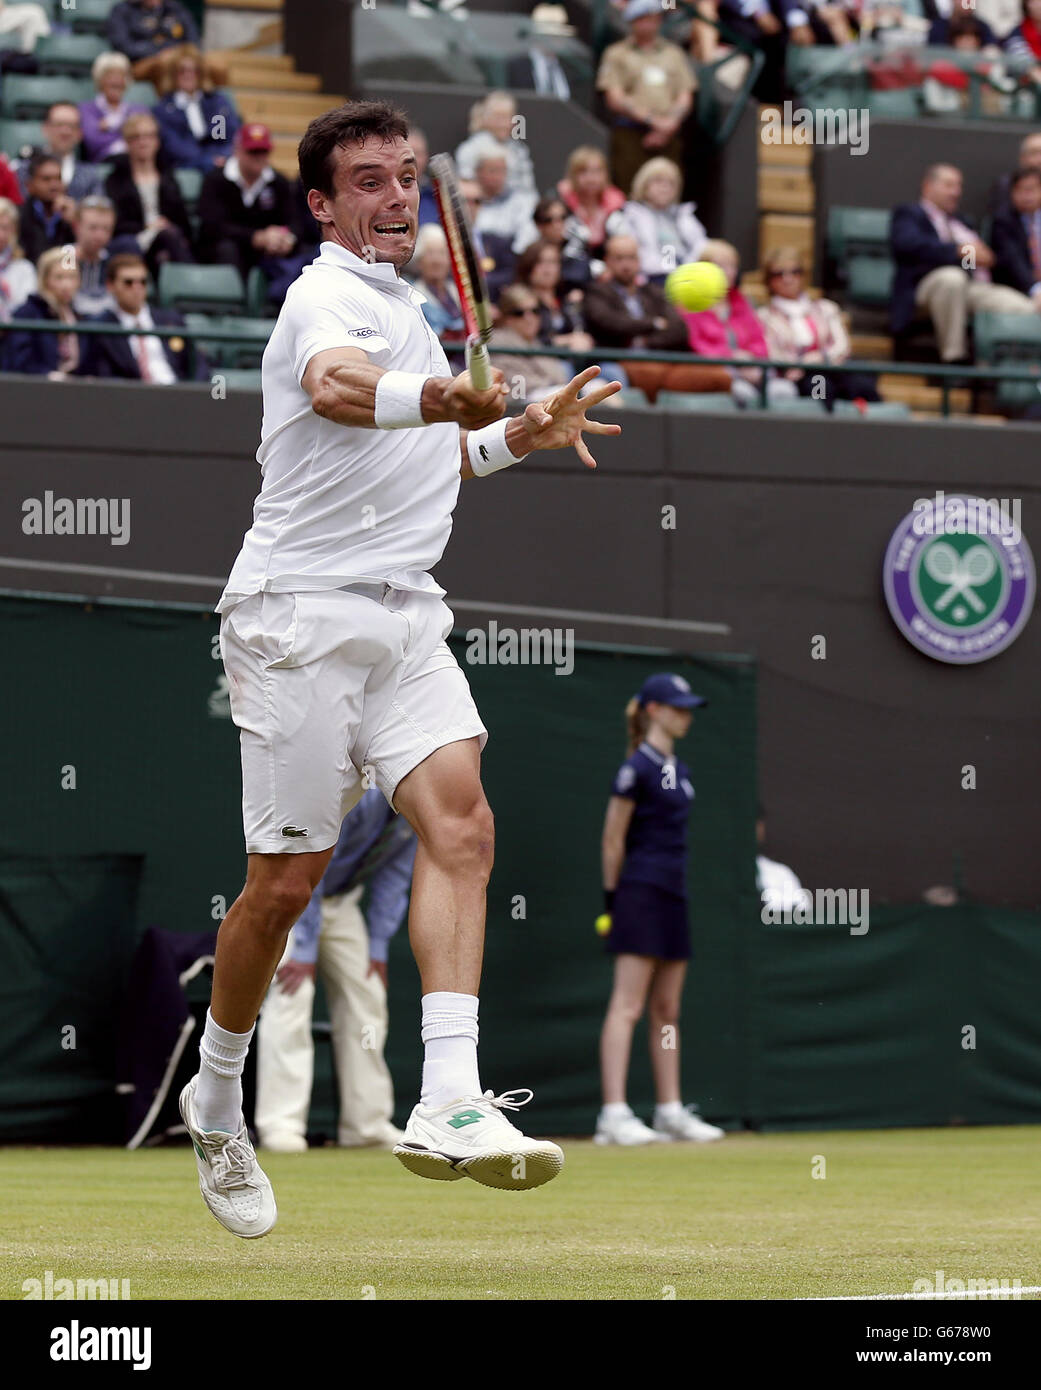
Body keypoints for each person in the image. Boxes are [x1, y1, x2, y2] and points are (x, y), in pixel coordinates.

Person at [178, 99, 621, 1239]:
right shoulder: (320, 295)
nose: (395, 196)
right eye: (367, 180)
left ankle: (451, 1098)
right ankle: (218, 1095)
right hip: (297, 615)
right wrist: (440, 395)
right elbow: (336, 388)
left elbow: (449, 455)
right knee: (284, 886)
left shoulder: (412, 308)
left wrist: (521, 429)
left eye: (406, 176)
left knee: (463, 827)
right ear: (322, 204)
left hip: (406, 610)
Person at [596, 673, 724, 1146]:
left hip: (674, 894)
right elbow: (612, 838)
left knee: (667, 1008)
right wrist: (613, 899)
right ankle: (613, 1114)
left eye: (689, 708)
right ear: (652, 709)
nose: (685, 715)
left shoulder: (680, 770)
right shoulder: (637, 769)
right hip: (638, 893)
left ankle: (669, 1110)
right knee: (627, 1005)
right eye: (676, 707)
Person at [255, 788, 418, 1153]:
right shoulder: (357, 800)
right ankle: (281, 1125)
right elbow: (312, 863)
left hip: (344, 903)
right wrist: (305, 950)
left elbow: (394, 875)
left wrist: (378, 944)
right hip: (293, 894)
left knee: (368, 999)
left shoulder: (415, 811)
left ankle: (367, 1124)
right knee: (292, 997)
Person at [890, 163, 1035, 360]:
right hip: (923, 287)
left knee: (1025, 306)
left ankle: (1001, 368)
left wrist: (984, 258)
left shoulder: (962, 221)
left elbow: (970, 263)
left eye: (958, 186)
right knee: (951, 279)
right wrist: (960, 251)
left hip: (969, 286)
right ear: (927, 186)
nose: (956, 192)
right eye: (949, 185)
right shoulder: (910, 214)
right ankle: (954, 358)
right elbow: (908, 246)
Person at [583, 232, 730, 400]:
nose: (626, 264)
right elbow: (610, 323)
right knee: (616, 378)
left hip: (660, 362)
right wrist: (653, 324)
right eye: (619, 258)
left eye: (631, 258)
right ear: (607, 261)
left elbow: (679, 330)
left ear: (639, 260)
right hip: (618, 363)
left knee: (720, 378)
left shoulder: (654, 293)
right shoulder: (597, 292)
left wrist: (646, 340)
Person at [758, 245, 881, 405]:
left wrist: (821, 358)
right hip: (803, 376)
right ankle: (824, 428)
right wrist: (803, 364)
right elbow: (772, 353)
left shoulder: (826, 308)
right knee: (821, 390)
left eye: (795, 272)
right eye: (779, 274)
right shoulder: (763, 317)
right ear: (769, 280)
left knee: (862, 387)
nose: (787, 279)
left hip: (834, 368)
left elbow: (842, 345)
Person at [596, 0, 696, 195]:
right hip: (631, 135)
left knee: (669, 193)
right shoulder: (617, 53)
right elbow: (614, 97)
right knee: (629, 191)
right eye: (642, 19)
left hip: (669, 135)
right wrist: (653, 121)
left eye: (653, 18)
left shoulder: (674, 54)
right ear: (632, 21)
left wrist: (668, 126)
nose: (649, 23)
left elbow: (685, 95)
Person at [684, 237, 799, 405]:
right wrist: (733, 358)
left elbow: (759, 341)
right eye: (720, 266)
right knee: (743, 393)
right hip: (715, 371)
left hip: (749, 369)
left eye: (732, 266)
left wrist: (750, 360)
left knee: (784, 391)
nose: (728, 272)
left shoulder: (743, 303)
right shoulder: (689, 304)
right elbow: (696, 345)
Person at [197, 123, 300, 294]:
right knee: (227, 249)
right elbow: (211, 227)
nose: (259, 157)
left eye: (264, 151)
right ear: (237, 150)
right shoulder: (216, 180)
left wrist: (286, 238)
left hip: (269, 251)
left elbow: (294, 222)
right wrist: (255, 237)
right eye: (253, 152)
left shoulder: (278, 182)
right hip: (226, 253)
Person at [85, 251, 200, 381]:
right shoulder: (101, 328)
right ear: (110, 286)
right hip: (133, 396)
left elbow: (197, 363)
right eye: (128, 282)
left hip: (177, 393)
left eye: (143, 282)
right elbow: (103, 375)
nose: (137, 288)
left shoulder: (172, 320)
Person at [104, 111, 194, 273]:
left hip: (164, 239)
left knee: (169, 240)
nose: (143, 142)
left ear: (157, 141)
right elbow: (115, 223)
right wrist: (147, 226)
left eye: (148, 136)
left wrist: (165, 225)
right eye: (136, 137)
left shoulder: (168, 178)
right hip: (133, 240)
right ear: (127, 143)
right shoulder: (116, 179)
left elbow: (183, 221)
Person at [612, 156, 707, 284]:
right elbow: (631, 252)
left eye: (671, 183)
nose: (665, 187)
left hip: (687, 273)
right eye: (658, 181)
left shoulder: (683, 214)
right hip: (652, 278)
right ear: (644, 185)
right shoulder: (631, 214)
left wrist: (688, 268)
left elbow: (702, 245)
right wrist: (671, 269)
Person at [152, 44, 240, 172]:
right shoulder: (163, 110)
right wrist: (208, 160)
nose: (189, 75)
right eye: (182, 70)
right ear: (173, 74)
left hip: (219, 162)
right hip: (186, 164)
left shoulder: (215, 103)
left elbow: (223, 136)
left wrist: (223, 156)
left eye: (194, 70)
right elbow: (175, 147)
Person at [1, 245, 86, 377]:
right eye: (59, 277)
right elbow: (20, 361)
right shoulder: (27, 314)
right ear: (45, 279)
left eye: (72, 277)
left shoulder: (79, 316)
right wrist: (47, 375)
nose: (66, 285)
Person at [490, 283, 571, 401]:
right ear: (506, 317)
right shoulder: (497, 340)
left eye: (535, 311)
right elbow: (517, 384)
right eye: (519, 313)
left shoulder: (536, 342)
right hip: (519, 404)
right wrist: (550, 384)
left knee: (595, 387)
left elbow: (560, 376)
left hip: (547, 396)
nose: (529, 318)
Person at [512, 238, 593, 354]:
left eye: (553, 262)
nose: (547, 269)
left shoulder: (567, 299)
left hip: (575, 358)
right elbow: (524, 340)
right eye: (540, 262)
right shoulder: (520, 300)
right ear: (528, 266)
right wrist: (564, 341)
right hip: (539, 361)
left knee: (608, 370)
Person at [454, 91, 536, 197]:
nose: (504, 123)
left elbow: (529, 189)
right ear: (485, 118)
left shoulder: (520, 150)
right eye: (499, 117)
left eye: (509, 117)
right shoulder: (470, 149)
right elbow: (465, 186)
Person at [15, 104, 103, 203]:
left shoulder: (90, 175)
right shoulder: (25, 169)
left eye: (72, 126)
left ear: (80, 133)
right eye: (59, 124)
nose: (65, 131)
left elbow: (98, 212)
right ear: (45, 128)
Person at [556, 146, 626, 259]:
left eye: (597, 171)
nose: (591, 178)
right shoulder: (561, 206)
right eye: (583, 172)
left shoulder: (617, 207)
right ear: (573, 175)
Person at [515, 194, 593, 294]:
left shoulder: (578, 246)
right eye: (549, 220)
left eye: (562, 218)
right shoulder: (530, 253)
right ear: (538, 224)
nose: (557, 225)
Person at [80, 52, 149, 164]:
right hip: (104, 164)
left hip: (135, 165)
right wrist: (127, 130)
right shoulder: (87, 110)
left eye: (121, 75)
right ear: (100, 80)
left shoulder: (139, 110)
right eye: (109, 75)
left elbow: (148, 139)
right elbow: (93, 142)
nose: (116, 80)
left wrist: (111, 125)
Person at [107, 0, 199, 79]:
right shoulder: (124, 10)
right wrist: (158, 52)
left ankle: (203, 98)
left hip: (176, 59)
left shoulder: (174, 8)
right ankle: (170, 99)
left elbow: (193, 40)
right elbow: (123, 46)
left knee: (208, 63)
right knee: (164, 64)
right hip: (139, 63)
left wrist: (175, 53)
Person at [404, 223, 465, 342]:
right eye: (430, 253)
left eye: (442, 253)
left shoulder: (458, 292)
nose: (437, 261)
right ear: (419, 261)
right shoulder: (412, 295)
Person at [991, 166, 1041, 299]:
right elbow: (1013, 261)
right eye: (1020, 190)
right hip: (1020, 288)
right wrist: (1036, 288)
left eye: (1031, 189)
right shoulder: (1003, 221)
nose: (1026, 196)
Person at [17, 153, 74, 265]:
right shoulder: (19, 216)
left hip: (63, 277)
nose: (54, 185)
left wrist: (74, 223)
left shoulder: (69, 215)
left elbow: (70, 263)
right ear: (30, 185)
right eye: (46, 179)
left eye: (58, 178)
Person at [71, 194, 117, 315]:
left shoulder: (112, 261)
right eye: (93, 228)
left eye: (106, 229)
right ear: (77, 227)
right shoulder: (65, 256)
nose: (99, 236)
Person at [0, 195, 35, 321]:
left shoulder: (24, 268)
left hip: (13, 335)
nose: (0, 234)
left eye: (5, 227)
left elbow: (24, 308)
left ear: (13, 230)